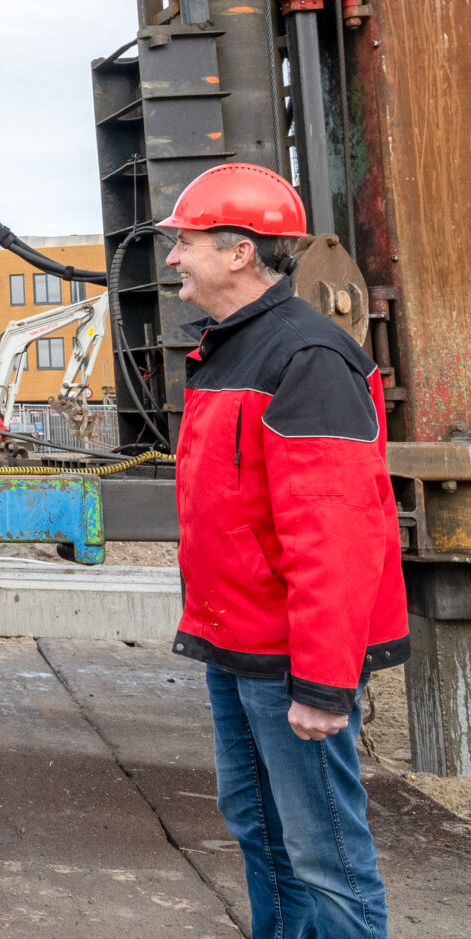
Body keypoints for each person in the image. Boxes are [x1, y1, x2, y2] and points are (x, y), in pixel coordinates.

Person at [161, 162, 407, 939]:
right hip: (238, 648)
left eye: (187, 241)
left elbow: (336, 535)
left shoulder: (307, 358)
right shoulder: (227, 349)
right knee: (260, 832)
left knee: (325, 856)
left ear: (239, 252)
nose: (173, 258)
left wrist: (325, 684)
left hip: (291, 659)